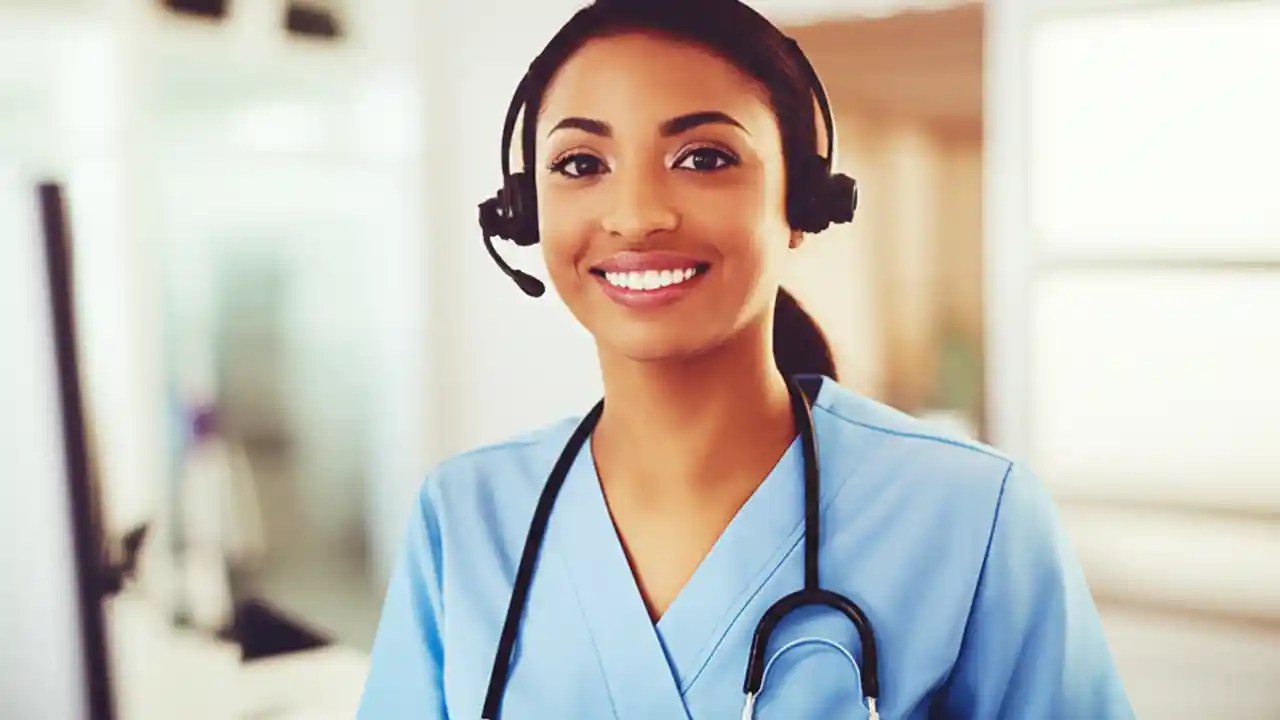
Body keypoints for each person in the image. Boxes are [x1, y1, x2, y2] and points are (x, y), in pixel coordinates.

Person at [358, 1, 1133, 717]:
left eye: (702, 158)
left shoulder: (974, 515)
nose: (636, 215)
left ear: (802, 203)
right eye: (580, 164)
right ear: (524, 212)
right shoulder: (463, 519)